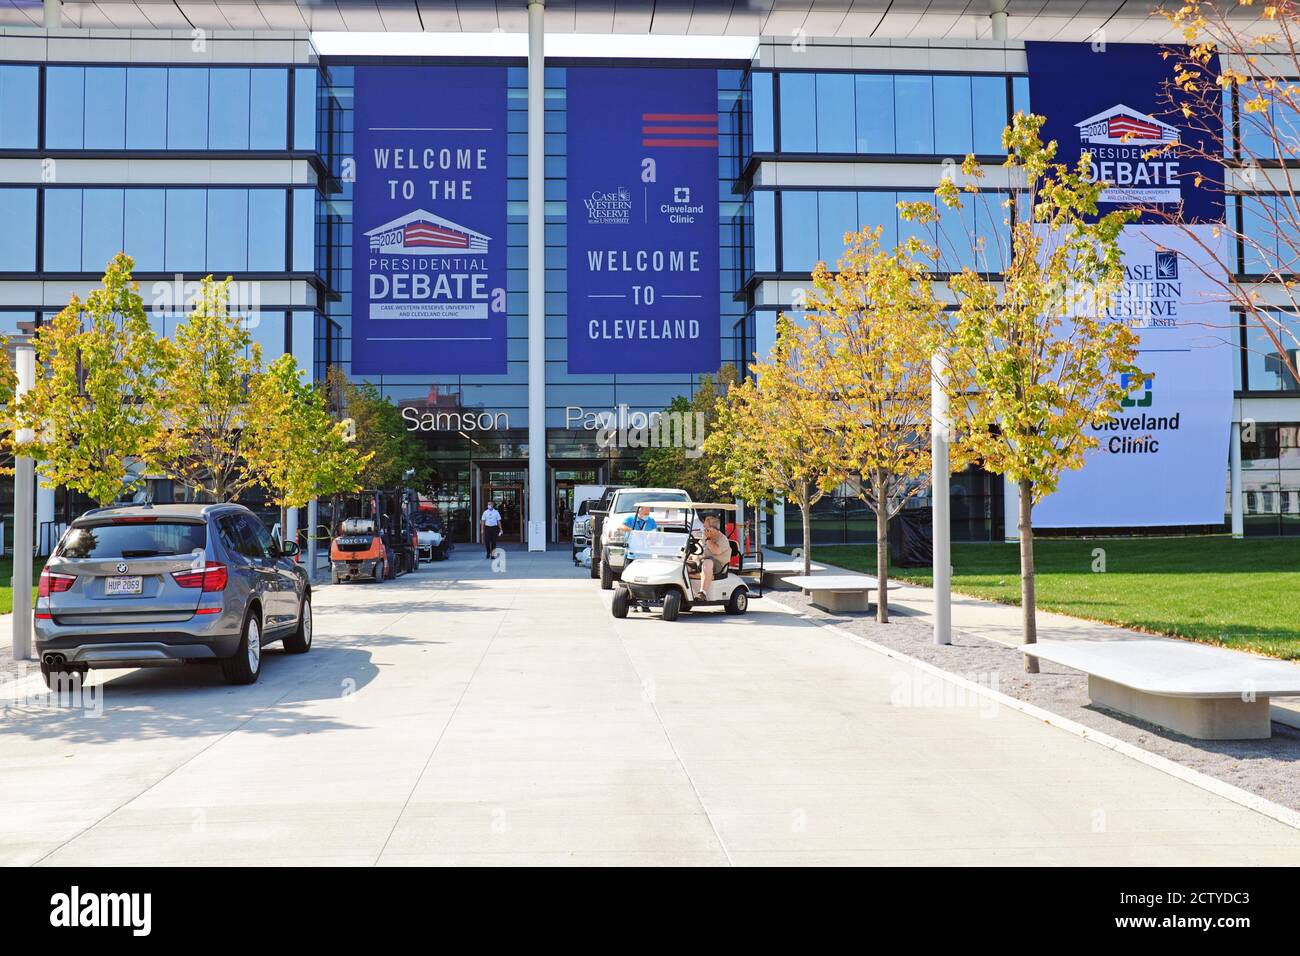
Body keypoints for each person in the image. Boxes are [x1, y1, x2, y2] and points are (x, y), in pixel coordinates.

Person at [689, 514, 732, 600]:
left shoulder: (722, 539)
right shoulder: (705, 536)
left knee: (707, 562)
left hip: (718, 565)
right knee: (683, 566)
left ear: (713, 528)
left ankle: (702, 593)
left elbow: (716, 551)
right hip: (701, 561)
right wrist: (690, 557)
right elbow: (699, 549)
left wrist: (708, 539)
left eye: (706, 527)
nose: (704, 529)